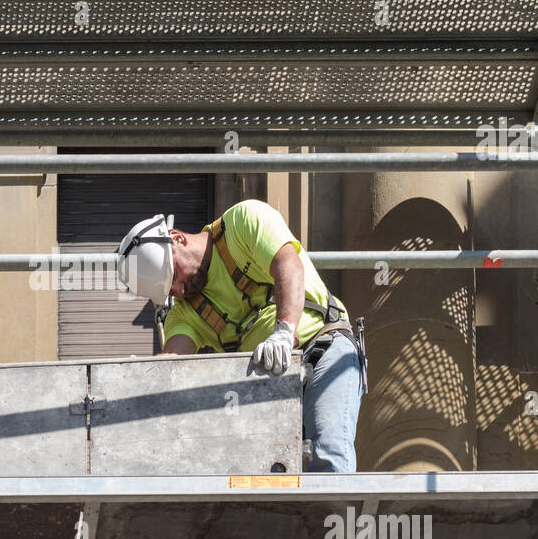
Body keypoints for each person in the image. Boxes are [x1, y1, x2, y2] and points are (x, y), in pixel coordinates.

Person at [116, 199, 365, 471]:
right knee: (267, 479)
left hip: (321, 350)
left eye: (174, 275)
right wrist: (139, 376)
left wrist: (283, 333)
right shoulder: (185, 312)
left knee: (328, 455)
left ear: (177, 239)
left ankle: (336, 513)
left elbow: (288, 264)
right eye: (169, 292)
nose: (179, 290)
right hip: (270, 382)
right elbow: (174, 359)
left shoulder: (243, 222)